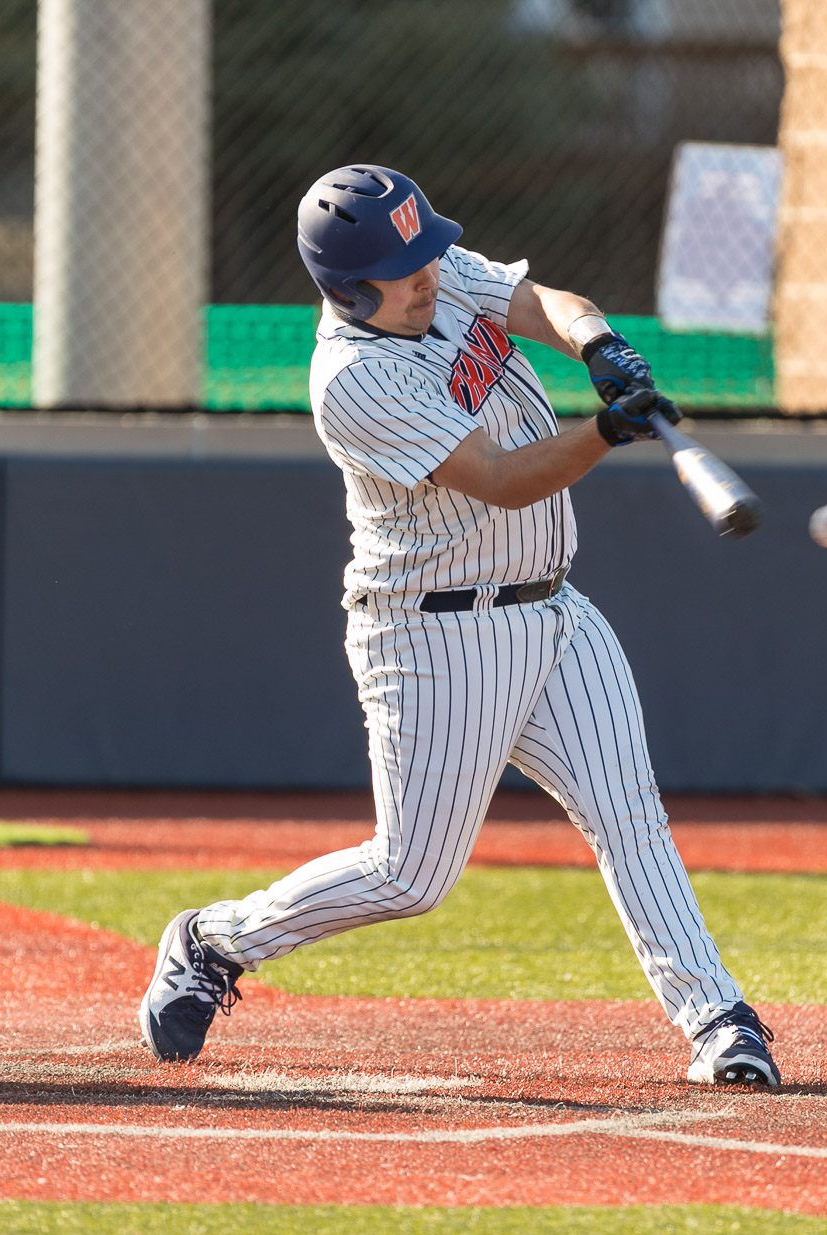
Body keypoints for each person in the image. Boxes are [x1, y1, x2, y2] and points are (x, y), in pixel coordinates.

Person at [137, 164, 780, 1086]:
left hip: (553, 609)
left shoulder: (433, 274)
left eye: (427, 256)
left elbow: (542, 302)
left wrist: (598, 343)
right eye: (403, 272)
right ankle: (214, 940)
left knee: (630, 817)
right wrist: (606, 432)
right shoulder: (354, 378)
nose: (428, 276)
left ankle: (716, 1018)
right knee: (410, 877)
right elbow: (501, 479)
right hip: (434, 639)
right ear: (350, 290)